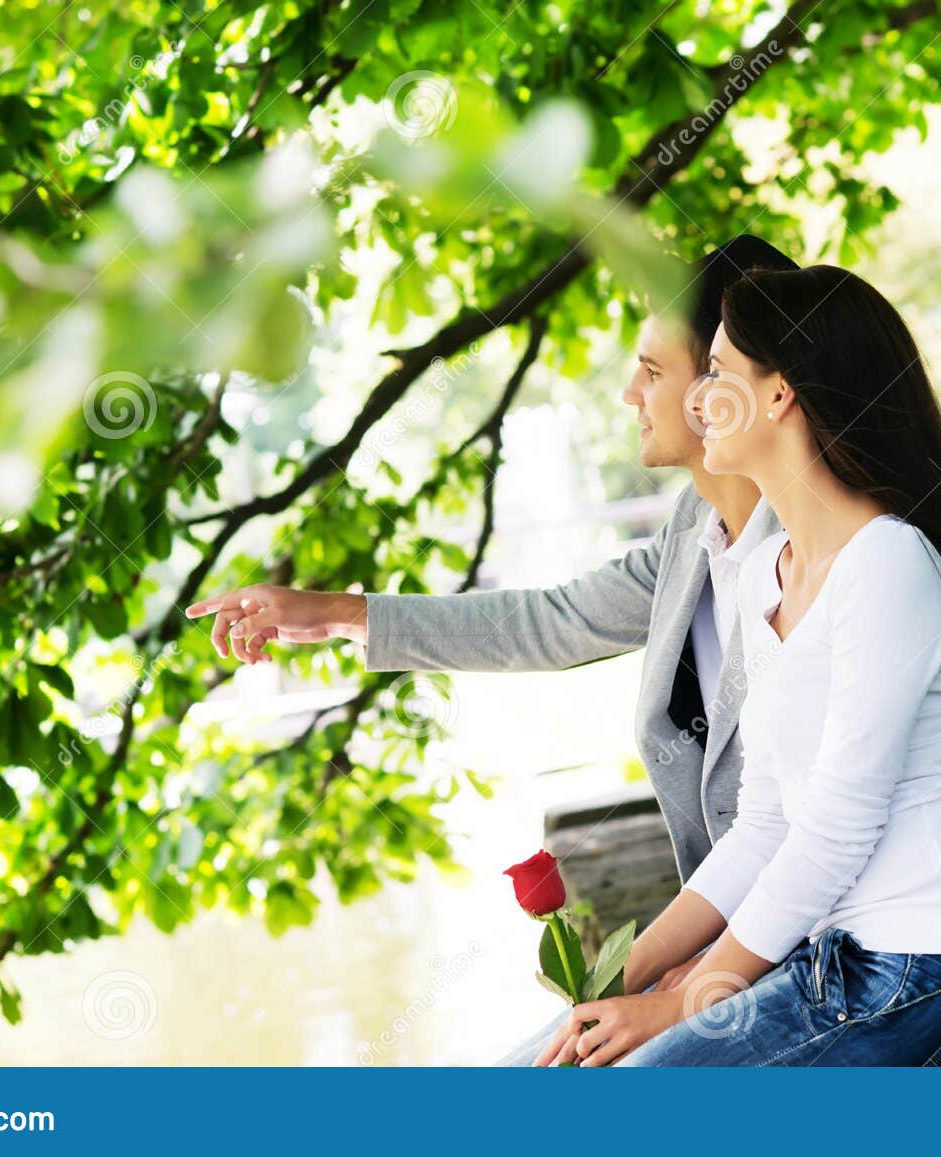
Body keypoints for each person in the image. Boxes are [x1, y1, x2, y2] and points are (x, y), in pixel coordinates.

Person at [185, 237, 799, 1059]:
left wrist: (682, 983)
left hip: (793, 947)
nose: (629, 393)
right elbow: (538, 622)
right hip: (718, 941)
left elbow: (806, 832)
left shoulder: (814, 555)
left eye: (653, 370)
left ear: (723, 387)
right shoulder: (694, 536)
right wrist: (330, 613)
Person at [529, 265, 941, 1067]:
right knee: (530, 1070)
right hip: (833, 960)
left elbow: (837, 827)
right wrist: (625, 972)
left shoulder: (888, 562)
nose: (698, 398)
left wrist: (681, 1002)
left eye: (720, 372)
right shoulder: (765, 569)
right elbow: (765, 823)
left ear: (779, 396)